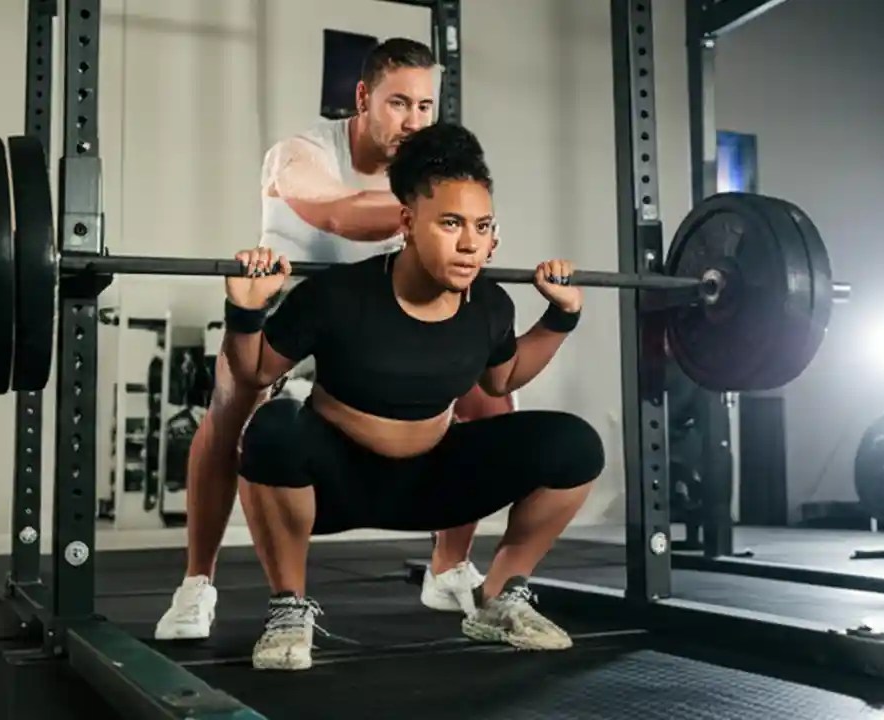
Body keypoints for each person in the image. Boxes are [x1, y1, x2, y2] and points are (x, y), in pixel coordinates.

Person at [156, 38, 511, 641]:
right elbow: (339, 215)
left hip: (375, 331)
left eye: (426, 107)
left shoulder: (428, 176)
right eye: (399, 103)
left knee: (489, 397)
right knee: (231, 407)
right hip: (292, 324)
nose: (414, 121)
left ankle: (448, 566)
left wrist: (457, 221)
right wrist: (438, 208)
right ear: (363, 97)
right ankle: (196, 583)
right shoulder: (297, 154)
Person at [224, 122, 604, 671]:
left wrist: (561, 316)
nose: (471, 243)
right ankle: (289, 609)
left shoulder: (489, 305)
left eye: (482, 226)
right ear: (408, 222)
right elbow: (256, 371)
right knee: (273, 426)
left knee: (574, 445)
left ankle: (500, 601)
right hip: (334, 485)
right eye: (451, 224)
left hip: (434, 484)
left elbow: (503, 379)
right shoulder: (335, 295)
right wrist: (246, 311)